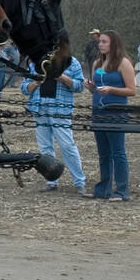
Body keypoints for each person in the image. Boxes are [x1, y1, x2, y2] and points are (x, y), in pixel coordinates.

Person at [21, 32, 87, 195]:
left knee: (67, 145)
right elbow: (24, 87)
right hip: (40, 108)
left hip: (60, 110)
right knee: (45, 147)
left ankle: (79, 181)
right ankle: (51, 180)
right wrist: (36, 82)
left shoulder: (72, 63)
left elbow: (79, 86)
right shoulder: (36, 63)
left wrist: (62, 78)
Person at [84, 30, 137, 201]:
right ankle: (103, 189)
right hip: (98, 111)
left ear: (113, 44)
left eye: (104, 42)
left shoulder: (123, 63)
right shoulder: (97, 63)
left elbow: (132, 90)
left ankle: (121, 191)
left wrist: (112, 89)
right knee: (103, 153)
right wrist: (91, 87)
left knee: (118, 152)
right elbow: (97, 86)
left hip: (116, 112)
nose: (100, 44)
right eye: (100, 42)